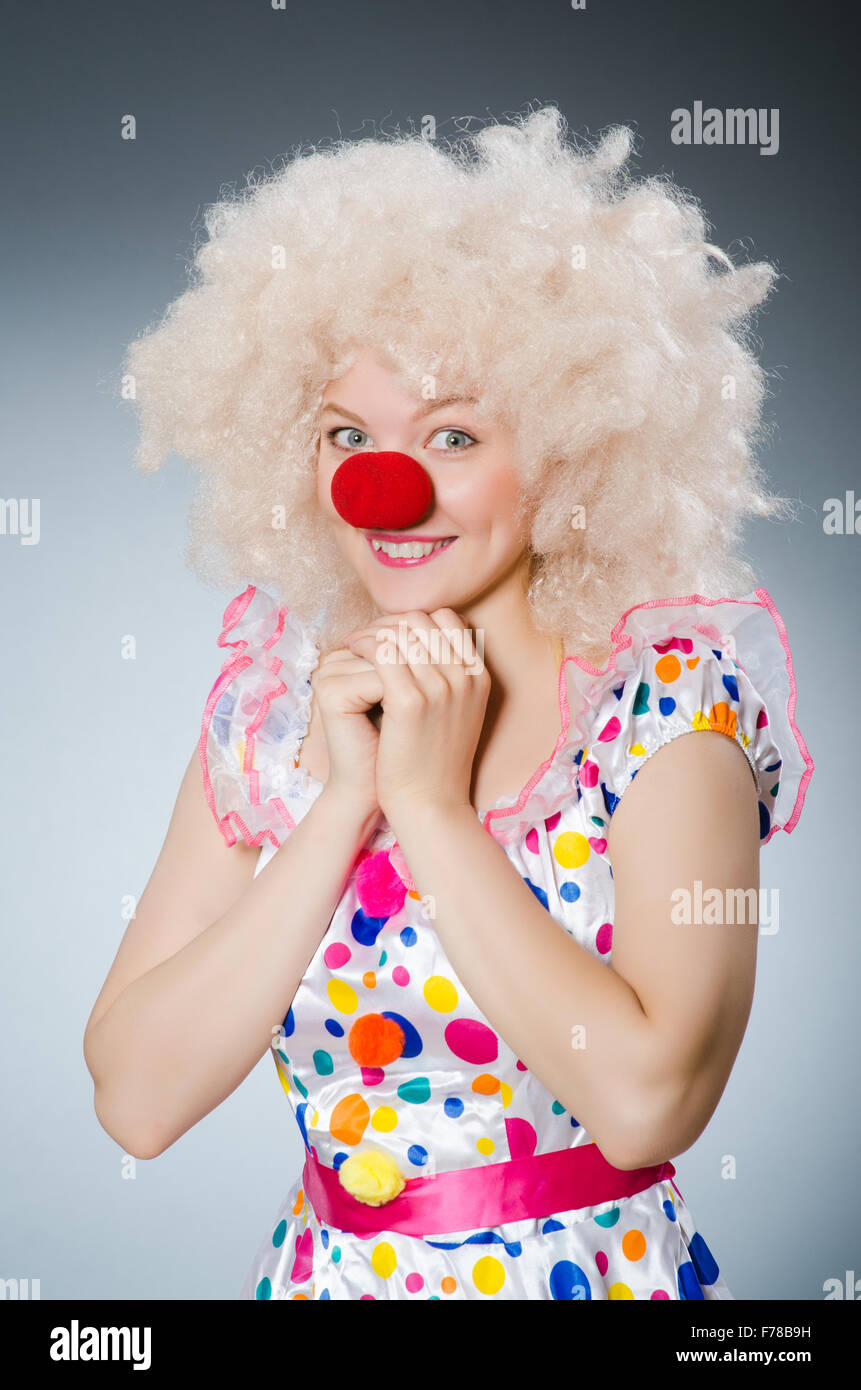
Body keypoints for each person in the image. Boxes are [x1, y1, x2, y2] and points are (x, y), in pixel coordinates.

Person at [84, 106, 814, 1300]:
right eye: (345, 434)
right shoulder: (270, 719)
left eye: (455, 434)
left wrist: (429, 812)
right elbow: (137, 1098)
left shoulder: (669, 716)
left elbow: (647, 1101)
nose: (387, 486)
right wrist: (342, 809)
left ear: (573, 451)